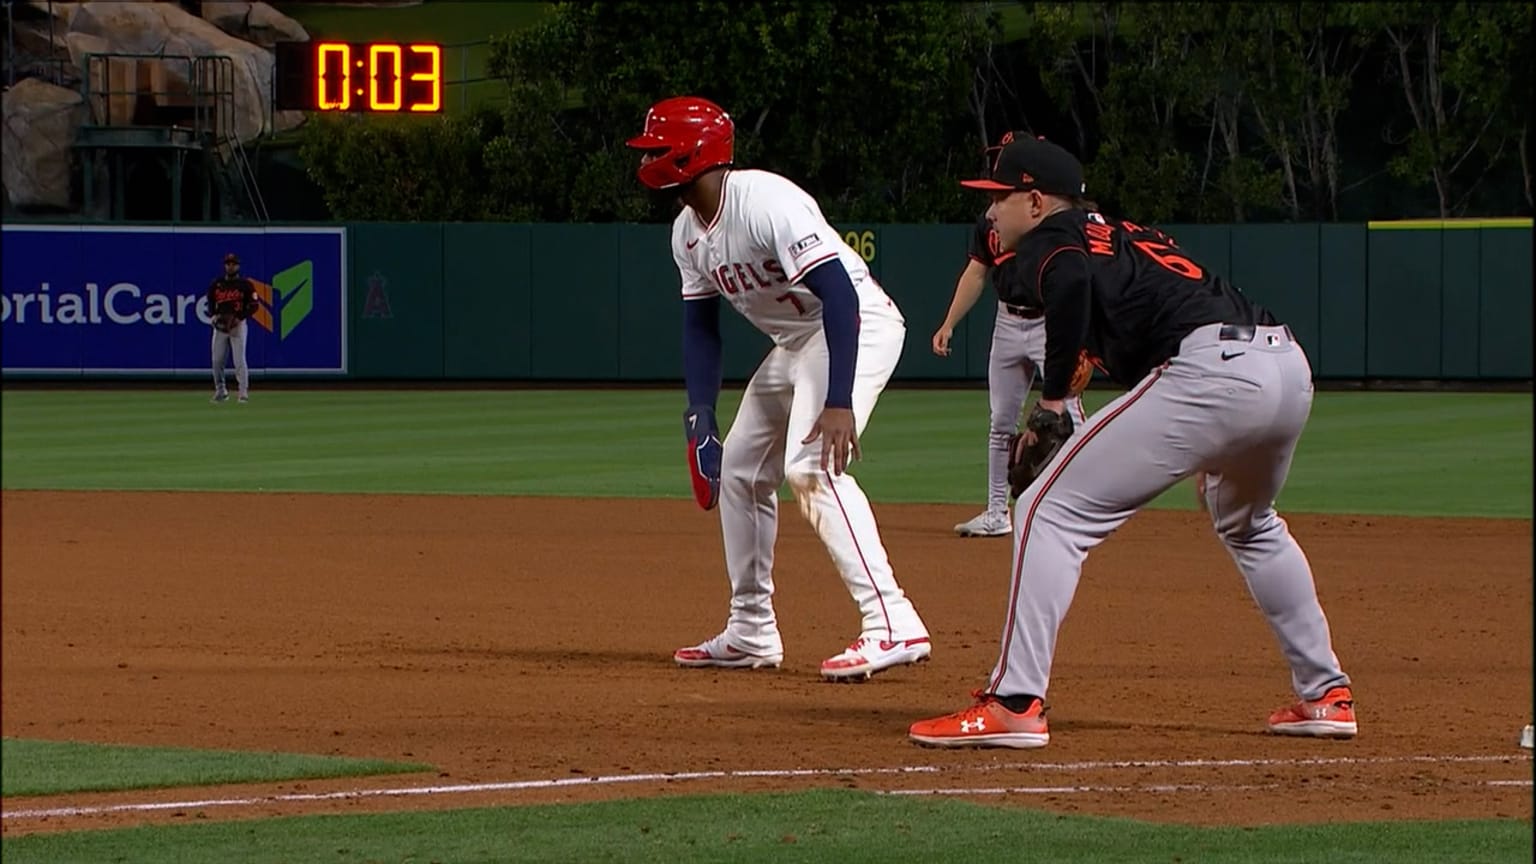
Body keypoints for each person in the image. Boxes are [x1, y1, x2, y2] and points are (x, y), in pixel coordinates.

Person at [908, 136, 1356, 748]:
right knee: (1251, 523)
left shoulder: (1051, 237)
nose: (990, 213)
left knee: (1046, 509)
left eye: (999, 198)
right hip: (1284, 365)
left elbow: (1069, 282)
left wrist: (1053, 400)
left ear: (1035, 201)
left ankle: (1014, 703)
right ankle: (1326, 694)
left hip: (1211, 372)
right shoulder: (1126, 233)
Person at [625, 95, 932, 682]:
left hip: (857, 325)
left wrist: (838, 400)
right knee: (740, 470)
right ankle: (751, 631)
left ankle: (894, 621)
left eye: (657, 147)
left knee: (811, 468)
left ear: (692, 152)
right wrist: (700, 416)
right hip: (797, 343)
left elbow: (839, 293)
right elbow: (700, 328)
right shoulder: (686, 233)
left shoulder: (765, 201)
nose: (647, 159)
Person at [934, 131, 1087, 538]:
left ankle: (1084, 505)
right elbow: (976, 273)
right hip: (1007, 320)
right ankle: (996, 512)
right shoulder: (991, 221)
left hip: (1047, 320)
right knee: (1000, 422)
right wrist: (949, 323)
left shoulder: (1050, 226)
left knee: (1070, 415)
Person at [206, 252, 258, 404]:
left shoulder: (245, 285)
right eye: (228, 264)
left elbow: (254, 306)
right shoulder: (217, 284)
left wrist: (240, 317)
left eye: (233, 264)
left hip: (238, 325)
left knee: (239, 360)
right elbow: (210, 301)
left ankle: (243, 392)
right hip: (221, 325)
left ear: (238, 266)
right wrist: (213, 314)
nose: (230, 266)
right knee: (217, 360)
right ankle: (221, 391)